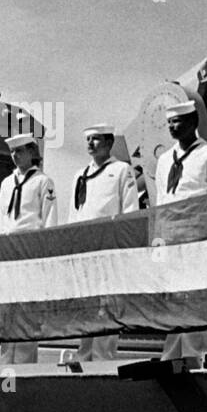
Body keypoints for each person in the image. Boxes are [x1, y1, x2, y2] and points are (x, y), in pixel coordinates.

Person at [152, 101, 207, 362]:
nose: (172, 127)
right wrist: (158, 246)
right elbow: (160, 204)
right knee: (174, 299)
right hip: (171, 238)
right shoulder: (164, 161)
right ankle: (172, 357)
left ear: (193, 123)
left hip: (198, 237)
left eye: (178, 122)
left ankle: (197, 356)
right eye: (170, 122)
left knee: (197, 298)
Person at [69, 123, 139, 360]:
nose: (91, 144)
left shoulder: (121, 170)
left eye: (97, 139)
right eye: (88, 139)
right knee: (86, 305)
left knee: (106, 305)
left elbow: (129, 210)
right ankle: (84, 353)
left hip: (109, 247)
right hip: (85, 249)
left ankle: (103, 357)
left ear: (109, 143)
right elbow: (74, 214)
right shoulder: (80, 175)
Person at [0, 133, 58, 364]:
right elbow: (2, 220)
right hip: (8, 251)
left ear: (32, 152)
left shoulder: (43, 182)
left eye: (20, 151)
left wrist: (45, 255)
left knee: (27, 311)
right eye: (13, 151)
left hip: (30, 249)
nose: (16, 156)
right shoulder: (6, 183)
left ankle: (24, 365)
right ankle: (5, 364)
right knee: (7, 311)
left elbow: (49, 219)